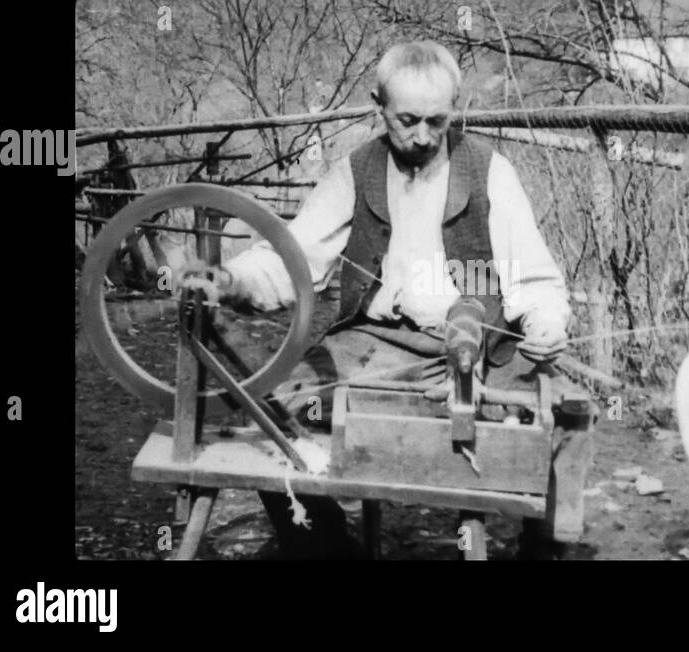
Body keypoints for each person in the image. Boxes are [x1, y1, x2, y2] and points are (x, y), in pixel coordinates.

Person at [181, 40, 578, 559]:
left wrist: (546, 324)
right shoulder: (356, 172)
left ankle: (543, 551)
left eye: (437, 121)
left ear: (454, 109)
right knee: (277, 413)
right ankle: (325, 548)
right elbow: (290, 261)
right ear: (378, 105)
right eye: (407, 119)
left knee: (566, 418)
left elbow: (535, 279)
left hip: (482, 345)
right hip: (376, 345)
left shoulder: (489, 172)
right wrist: (228, 280)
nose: (423, 136)